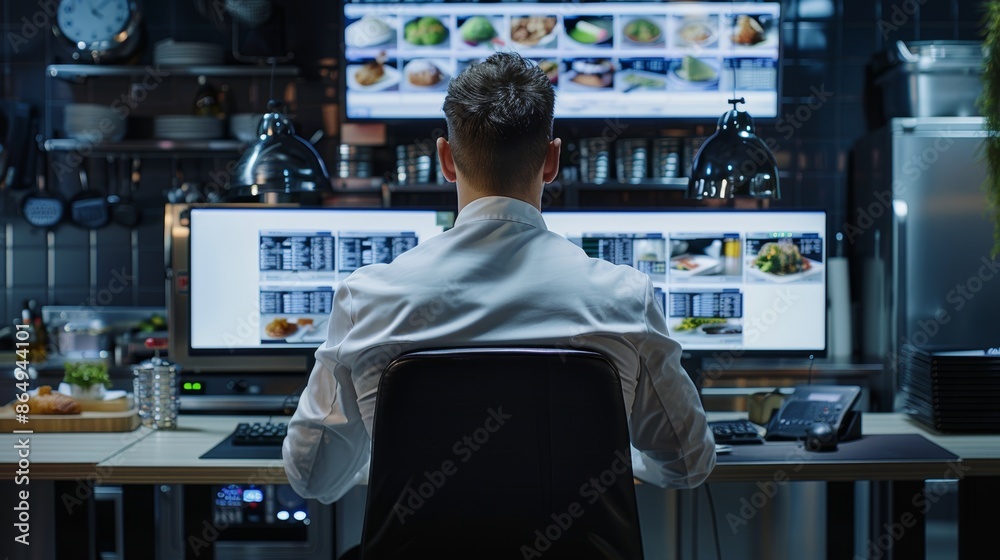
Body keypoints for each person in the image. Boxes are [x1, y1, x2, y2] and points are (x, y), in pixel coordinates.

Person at [283, 52, 716, 504]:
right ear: (552, 163)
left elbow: (312, 477)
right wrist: (614, 461)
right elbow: (688, 463)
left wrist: (396, 459)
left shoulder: (366, 299)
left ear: (446, 160)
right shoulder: (625, 297)